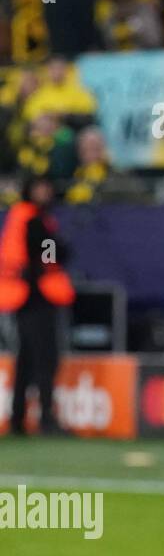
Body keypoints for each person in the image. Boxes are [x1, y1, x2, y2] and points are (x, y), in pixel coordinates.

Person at [0, 176, 75, 435]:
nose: (44, 193)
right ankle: (45, 418)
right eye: (39, 188)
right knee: (44, 358)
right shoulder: (33, 219)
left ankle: (18, 417)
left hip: (25, 296)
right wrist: (58, 248)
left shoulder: (23, 217)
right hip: (35, 297)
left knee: (27, 359)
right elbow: (51, 253)